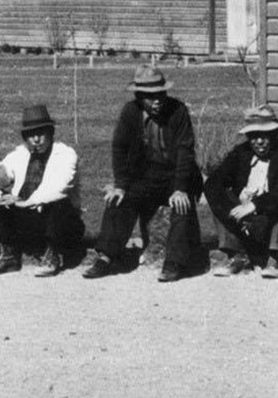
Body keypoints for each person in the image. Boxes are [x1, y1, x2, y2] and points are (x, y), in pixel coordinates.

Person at [84, 66, 204, 281]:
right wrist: (120, 184)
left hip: (176, 174)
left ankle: (174, 262)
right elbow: (119, 148)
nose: (157, 101)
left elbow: (186, 151)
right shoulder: (130, 112)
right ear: (140, 97)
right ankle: (106, 256)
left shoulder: (178, 111)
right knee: (119, 201)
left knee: (182, 206)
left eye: (160, 95)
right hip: (145, 175)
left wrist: (181, 188)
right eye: (150, 97)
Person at [205, 106, 278, 277]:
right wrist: (233, 212)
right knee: (219, 193)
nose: (259, 141)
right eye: (253, 136)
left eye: (264, 136)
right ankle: (236, 254)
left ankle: (276, 257)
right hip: (245, 223)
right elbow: (214, 182)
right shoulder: (241, 153)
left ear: (275, 134)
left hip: (276, 223)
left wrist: (255, 205)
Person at [0, 103, 82, 276]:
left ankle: (52, 255)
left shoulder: (65, 154)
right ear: (25, 137)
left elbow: (57, 187)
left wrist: (24, 202)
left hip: (61, 223)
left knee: (58, 203)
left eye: (41, 133)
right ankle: (9, 255)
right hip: (28, 220)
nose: (36, 139)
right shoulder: (19, 154)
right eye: (31, 135)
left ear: (51, 133)